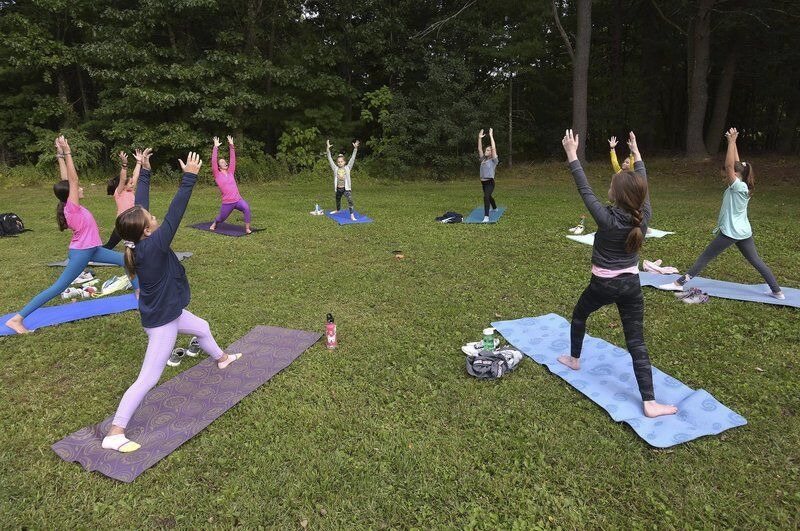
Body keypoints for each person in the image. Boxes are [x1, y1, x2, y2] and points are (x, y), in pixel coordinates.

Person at [102, 151, 242, 453]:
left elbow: (140, 207)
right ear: (147, 230)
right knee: (147, 378)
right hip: (162, 322)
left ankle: (222, 358)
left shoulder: (140, 242)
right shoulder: (154, 246)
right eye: (152, 219)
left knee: (201, 327)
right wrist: (189, 178)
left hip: (168, 311)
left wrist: (146, 171)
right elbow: (176, 212)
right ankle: (115, 431)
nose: (155, 217)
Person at [559, 129, 677, 418]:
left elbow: (585, 189)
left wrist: (572, 154)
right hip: (631, 286)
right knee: (636, 342)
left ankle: (574, 360)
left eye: (612, 185)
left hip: (602, 285)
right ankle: (650, 403)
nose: (609, 187)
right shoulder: (643, 217)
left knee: (579, 315)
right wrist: (636, 153)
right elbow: (643, 183)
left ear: (617, 194)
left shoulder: (606, 219)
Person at [4, 136, 135, 335]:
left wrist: (60, 156)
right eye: (77, 188)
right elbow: (73, 180)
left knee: (127, 261)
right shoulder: (72, 208)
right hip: (82, 252)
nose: (80, 188)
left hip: (93, 249)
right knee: (58, 287)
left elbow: (67, 180)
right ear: (70, 193)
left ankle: (140, 294)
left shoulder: (69, 206)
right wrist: (68, 152)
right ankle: (17, 319)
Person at [658, 128, 784, 299]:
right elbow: (736, 164)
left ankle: (678, 284)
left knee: (704, 257)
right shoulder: (743, 184)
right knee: (756, 261)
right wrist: (734, 143)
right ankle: (777, 291)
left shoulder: (737, 186)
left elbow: (730, 166)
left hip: (731, 232)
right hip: (743, 231)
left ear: (736, 175)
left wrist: (730, 142)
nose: (725, 179)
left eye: (727, 177)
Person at [210, 135, 252, 234]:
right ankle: (215, 222)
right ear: (219, 167)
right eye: (222, 162)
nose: (225, 163)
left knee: (246, 208)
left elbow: (233, 159)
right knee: (222, 218)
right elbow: (213, 162)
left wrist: (231, 146)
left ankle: (247, 228)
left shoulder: (230, 172)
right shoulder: (217, 175)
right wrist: (215, 147)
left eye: (225, 162)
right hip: (227, 202)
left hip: (238, 199)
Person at [326, 139, 359, 221]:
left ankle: (352, 215)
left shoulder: (348, 168)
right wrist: (328, 149)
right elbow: (329, 158)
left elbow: (352, 159)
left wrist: (355, 149)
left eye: (341, 161)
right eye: (338, 162)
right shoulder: (335, 168)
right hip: (338, 189)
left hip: (346, 189)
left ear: (344, 162)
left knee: (350, 200)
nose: (340, 163)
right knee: (337, 200)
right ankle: (338, 210)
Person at [478, 128, 499, 223]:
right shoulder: (483, 159)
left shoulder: (494, 161)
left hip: (490, 183)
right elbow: (479, 149)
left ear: (491, 153)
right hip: (483, 183)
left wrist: (491, 135)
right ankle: (494, 208)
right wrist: (479, 138)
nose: (486, 151)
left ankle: (486, 217)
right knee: (489, 196)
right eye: (486, 149)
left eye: (488, 150)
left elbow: (494, 149)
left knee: (486, 197)